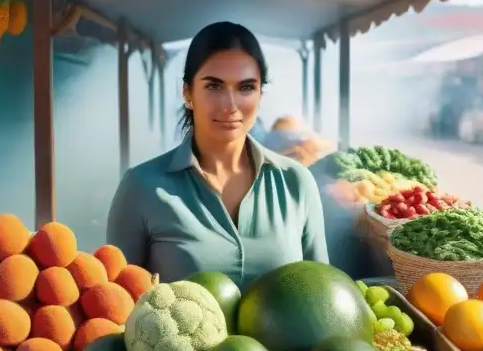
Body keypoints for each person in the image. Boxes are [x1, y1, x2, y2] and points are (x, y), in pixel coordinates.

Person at [106, 21, 329, 288]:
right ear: (188, 93)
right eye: (214, 86)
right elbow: (117, 302)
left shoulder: (297, 182)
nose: (230, 105)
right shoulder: (141, 187)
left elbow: (323, 292)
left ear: (260, 94)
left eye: (246, 87)